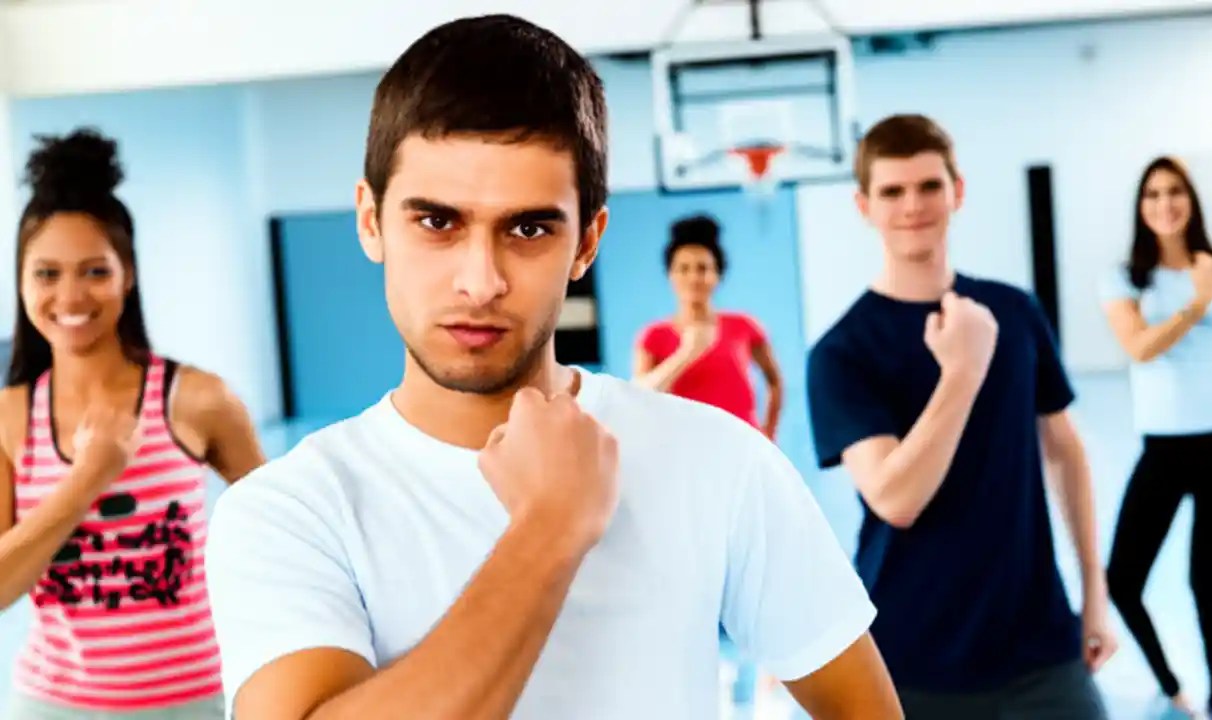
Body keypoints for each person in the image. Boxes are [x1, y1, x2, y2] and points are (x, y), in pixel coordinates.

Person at [203, 14, 903, 720]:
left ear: (587, 243)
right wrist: (549, 530)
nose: (479, 281)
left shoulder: (719, 460)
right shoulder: (287, 511)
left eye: (528, 229)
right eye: (437, 222)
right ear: (370, 220)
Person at [805, 113, 1117, 719]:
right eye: (892, 191)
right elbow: (895, 497)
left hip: (1038, 644)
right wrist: (964, 369)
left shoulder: (1016, 312)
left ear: (958, 191)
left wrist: (1094, 593)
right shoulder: (843, 351)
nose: (912, 205)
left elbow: (1065, 449)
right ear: (863, 205)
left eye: (928, 186)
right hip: (909, 657)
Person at [0, 129, 267, 719]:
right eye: (46, 274)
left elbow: (282, 526)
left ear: (129, 275)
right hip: (52, 705)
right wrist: (90, 477)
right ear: (22, 284)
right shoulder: (10, 416)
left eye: (94, 271)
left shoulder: (196, 399)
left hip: (195, 699)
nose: (70, 294)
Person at [1099, 156, 1212, 719]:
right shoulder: (1124, 277)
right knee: (1122, 579)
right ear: (1140, 206)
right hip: (1164, 447)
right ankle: (1171, 684)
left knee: (1206, 581)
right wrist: (1198, 302)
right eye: (1152, 194)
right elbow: (1139, 348)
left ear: (1191, 200)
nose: (1165, 203)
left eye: (1175, 191)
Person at [632, 213, 783, 440]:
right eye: (683, 268)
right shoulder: (654, 336)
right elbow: (638, 395)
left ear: (717, 274)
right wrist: (686, 354)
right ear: (670, 275)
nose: (693, 277)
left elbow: (775, 381)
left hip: (743, 448)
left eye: (702, 268)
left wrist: (769, 434)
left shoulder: (744, 326)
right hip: (687, 451)